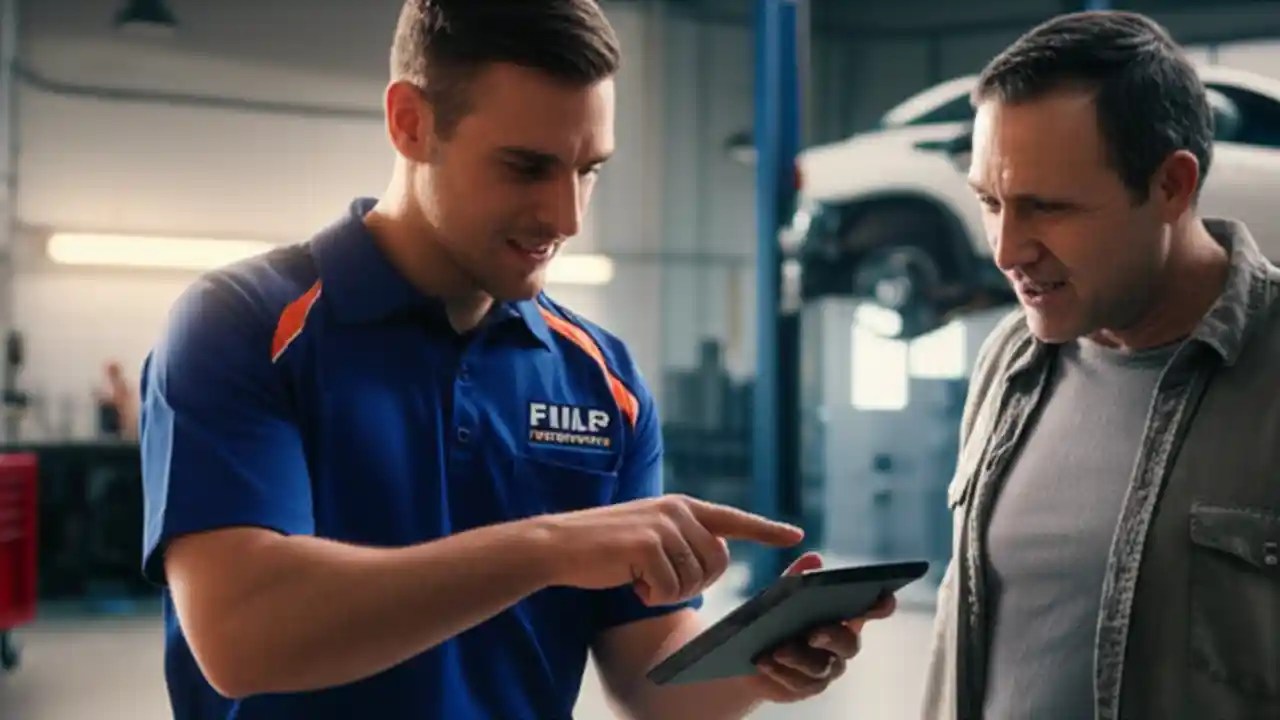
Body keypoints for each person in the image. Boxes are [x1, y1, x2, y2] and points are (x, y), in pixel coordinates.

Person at [138, 1, 895, 718]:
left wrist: (757, 659)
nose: (565, 216)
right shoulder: (242, 326)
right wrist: (547, 548)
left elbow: (651, 678)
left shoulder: (604, 380)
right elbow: (243, 637)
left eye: (589, 169)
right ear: (410, 123)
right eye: (527, 167)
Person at [922, 10, 1280, 720]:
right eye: (991, 202)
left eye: (1047, 208)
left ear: (1172, 186)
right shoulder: (1010, 362)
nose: (1005, 248)